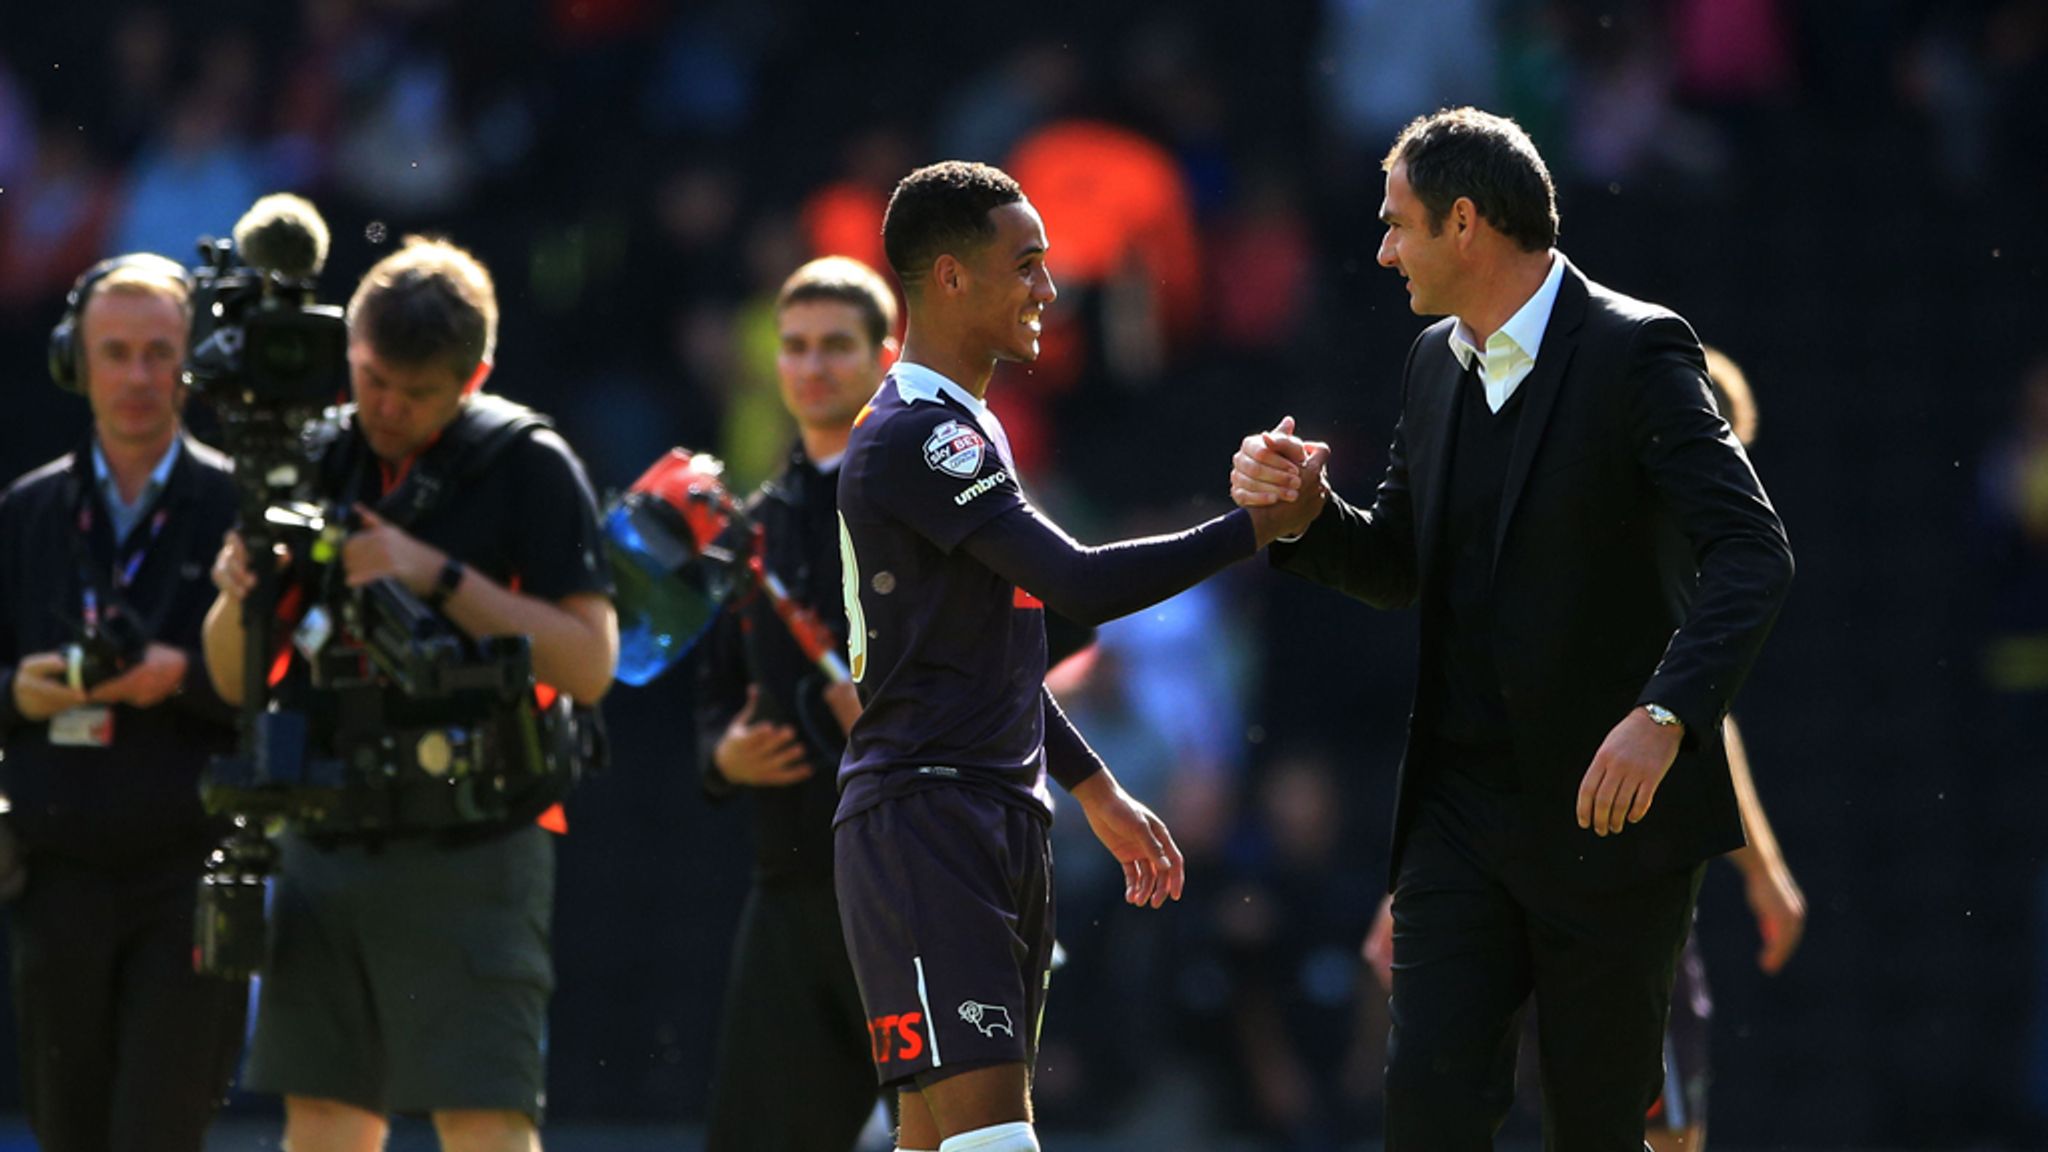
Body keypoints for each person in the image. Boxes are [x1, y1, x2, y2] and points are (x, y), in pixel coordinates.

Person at [1230, 108, 1795, 1151]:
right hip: (1457, 820)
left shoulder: (1636, 350)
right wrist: (1302, 517)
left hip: (1608, 819)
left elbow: (1752, 554)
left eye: (1396, 223)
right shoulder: (1428, 365)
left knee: (1596, 1127)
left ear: (1463, 223)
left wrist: (1662, 715)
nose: (1381, 248)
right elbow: (1398, 565)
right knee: (1428, 1111)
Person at [834, 160, 1317, 1152]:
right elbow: (1082, 588)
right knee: (991, 1141)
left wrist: (1091, 787)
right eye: (1026, 265)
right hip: (929, 816)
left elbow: (994, 653)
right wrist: (1252, 531)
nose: (1049, 290)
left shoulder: (967, 436)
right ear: (950, 278)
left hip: (984, 807)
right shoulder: (921, 440)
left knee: (938, 1139)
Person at [202, 235, 617, 1152]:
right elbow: (232, 676)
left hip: (476, 838)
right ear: (348, 345)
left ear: (475, 376)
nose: (385, 408)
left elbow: (589, 661)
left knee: (482, 1119)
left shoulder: (526, 463)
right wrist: (242, 590)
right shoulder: (309, 457)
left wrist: (431, 573)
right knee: (322, 1120)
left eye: (417, 393)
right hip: (326, 829)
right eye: (371, 378)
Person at [1357, 343, 1809, 1152]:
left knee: (1649, 1127)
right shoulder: (1597, 552)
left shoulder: (1667, 570)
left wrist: (1763, 872)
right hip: (1536, 865)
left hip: (1623, 875)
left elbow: (1704, 720)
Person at [0, 253, 246, 1152]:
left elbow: (286, 689)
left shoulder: (238, 505)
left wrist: (181, 676)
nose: (139, 377)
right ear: (78, 363)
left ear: (193, 362)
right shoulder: (28, 512)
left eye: (158, 353)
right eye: (115, 353)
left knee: (157, 1135)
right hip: (55, 875)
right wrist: (16, 695)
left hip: (189, 871)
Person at [692, 255, 894, 1152]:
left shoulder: (928, 497)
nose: (811, 367)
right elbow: (714, 698)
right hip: (789, 880)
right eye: (795, 347)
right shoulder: (752, 529)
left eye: (836, 347)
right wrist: (721, 757)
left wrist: (906, 708)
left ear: (886, 357)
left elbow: (1045, 634)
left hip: (913, 885)